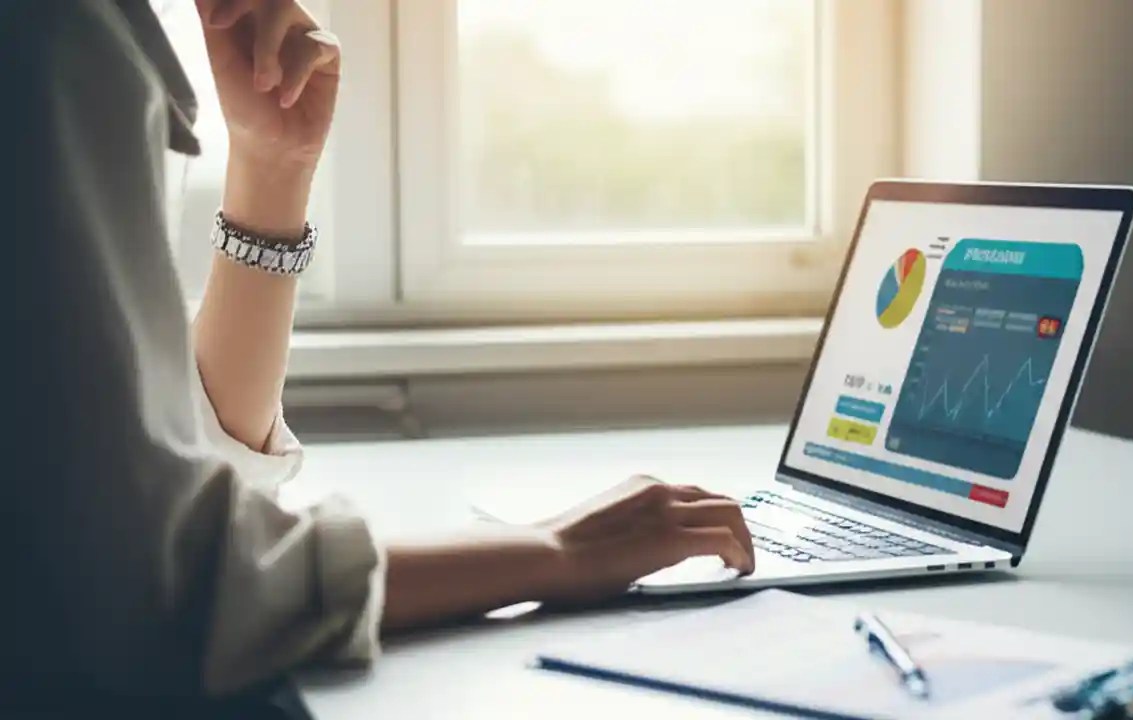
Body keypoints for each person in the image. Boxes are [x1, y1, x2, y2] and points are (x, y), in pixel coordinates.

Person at [4, 0, 754, 706]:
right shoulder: (56, 39)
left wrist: (274, 166)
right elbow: (162, 591)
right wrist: (555, 552)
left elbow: (183, 469)